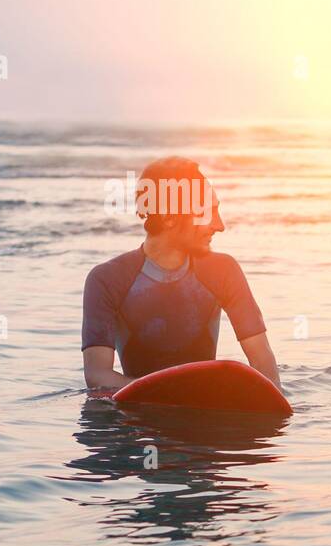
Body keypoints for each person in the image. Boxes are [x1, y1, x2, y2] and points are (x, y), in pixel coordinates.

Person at [81, 156, 281, 391]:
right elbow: (97, 376)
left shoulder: (224, 271)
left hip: (204, 415)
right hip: (138, 419)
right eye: (207, 212)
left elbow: (263, 363)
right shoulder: (107, 279)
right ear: (168, 218)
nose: (220, 225)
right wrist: (171, 394)